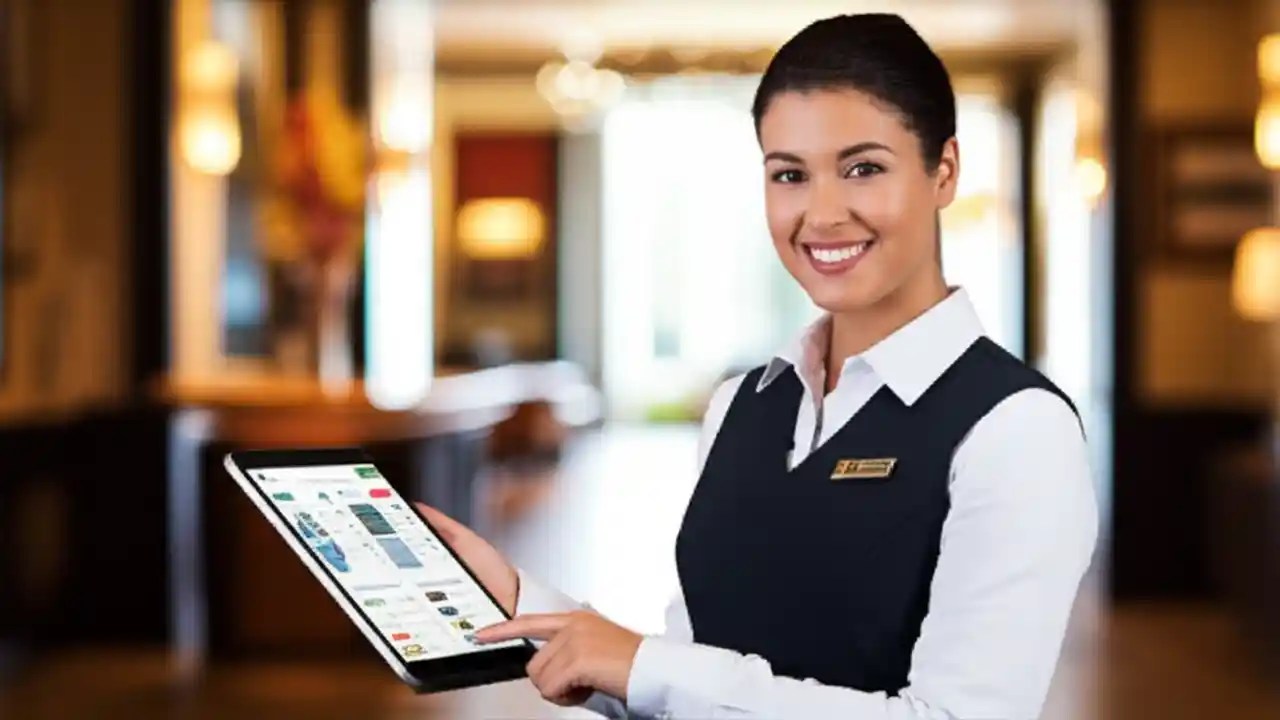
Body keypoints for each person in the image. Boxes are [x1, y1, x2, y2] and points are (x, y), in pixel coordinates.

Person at [417, 13, 1098, 719]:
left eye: (863, 168)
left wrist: (646, 665)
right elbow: (685, 685)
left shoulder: (1018, 429)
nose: (822, 213)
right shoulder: (742, 405)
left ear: (944, 171)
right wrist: (520, 602)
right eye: (789, 174)